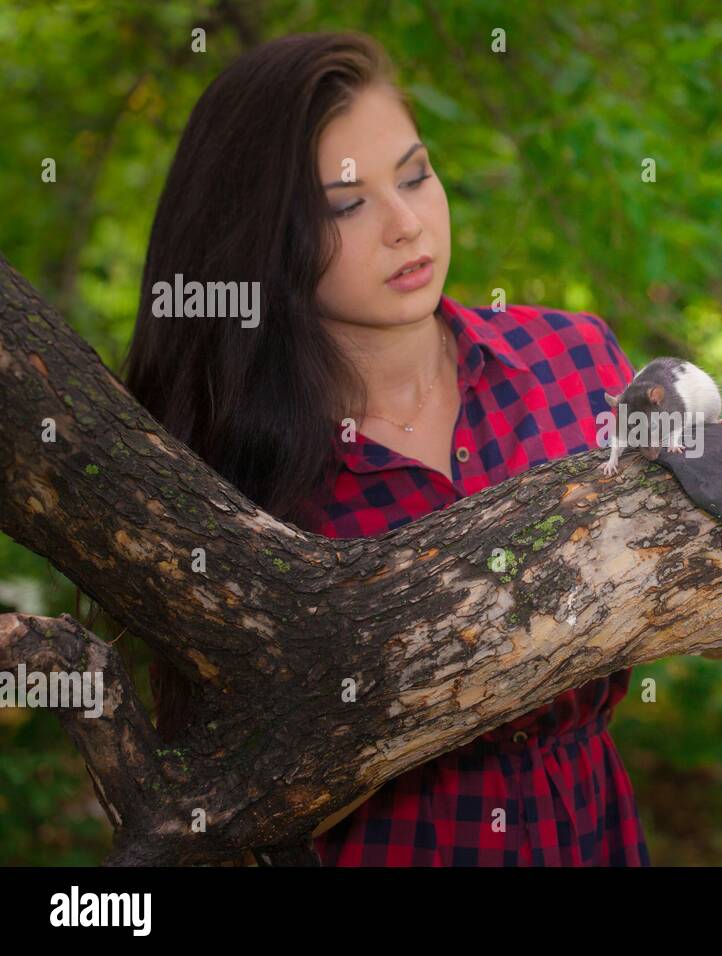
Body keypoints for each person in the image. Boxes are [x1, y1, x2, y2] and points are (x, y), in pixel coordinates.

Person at [122, 31, 650, 866]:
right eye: (346, 204)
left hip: (591, 836)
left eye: (415, 175)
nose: (407, 225)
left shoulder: (578, 364)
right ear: (267, 239)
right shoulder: (236, 481)